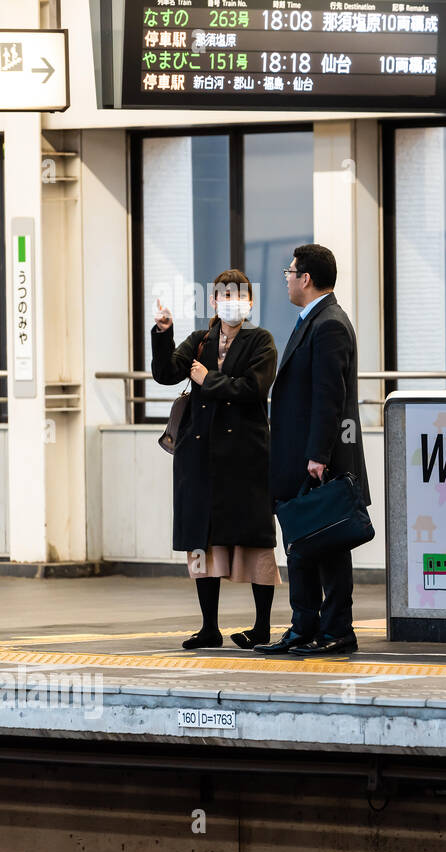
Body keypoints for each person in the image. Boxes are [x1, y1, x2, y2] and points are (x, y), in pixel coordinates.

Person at [151, 269, 281, 650]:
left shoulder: (261, 341)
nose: (231, 302)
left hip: (246, 456)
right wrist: (163, 333)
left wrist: (210, 380)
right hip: (201, 457)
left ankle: (262, 627)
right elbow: (165, 373)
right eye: (224, 296)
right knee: (202, 541)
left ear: (250, 301)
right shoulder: (200, 339)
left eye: (239, 295)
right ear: (213, 301)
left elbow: (254, 387)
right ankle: (209, 626)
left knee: (256, 541)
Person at [257, 244, 370, 656]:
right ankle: (303, 627)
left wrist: (319, 456)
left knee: (329, 546)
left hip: (319, 460)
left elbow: (329, 397)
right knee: (302, 544)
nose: (286, 278)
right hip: (299, 457)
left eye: (289, 271)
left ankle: (338, 629)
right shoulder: (312, 321)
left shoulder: (329, 325)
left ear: (305, 278)